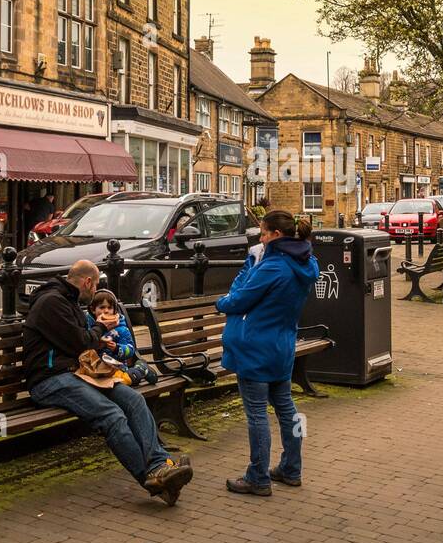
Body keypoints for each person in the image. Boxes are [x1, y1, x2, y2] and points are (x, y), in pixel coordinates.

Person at [23, 260, 192, 505]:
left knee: (134, 400)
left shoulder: (67, 301)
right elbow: (80, 342)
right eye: (94, 287)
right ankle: (152, 477)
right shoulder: (52, 302)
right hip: (49, 379)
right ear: (87, 282)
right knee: (111, 415)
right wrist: (101, 327)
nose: (94, 293)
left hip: (77, 374)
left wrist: (100, 340)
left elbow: (82, 342)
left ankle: (160, 465)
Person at [216, 211, 320, 496]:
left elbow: (237, 300)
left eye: (263, 233)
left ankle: (258, 477)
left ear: (276, 235)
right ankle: (291, 468)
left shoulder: (271, 267)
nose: (260, 239)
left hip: (255, 347)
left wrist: (246, 268)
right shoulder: (306, 263)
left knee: (257, 414)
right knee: (287, 408)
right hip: (282, 345)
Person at [86, 289, 157, 387]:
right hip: (96, 369)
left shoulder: (121, 329)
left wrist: (117, 348)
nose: (106, 311)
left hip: (117, 369)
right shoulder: (89, 329)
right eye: (102, 307)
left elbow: (130, 350)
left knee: (124, 380)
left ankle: (140, 369)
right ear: (93, 309)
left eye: (110, 308)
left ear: (114, 310)